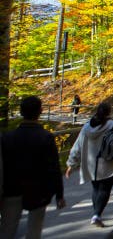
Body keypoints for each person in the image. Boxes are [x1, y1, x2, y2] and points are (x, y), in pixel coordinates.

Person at [0, 96, 66, 239]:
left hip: (11, 189)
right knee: (34, 230)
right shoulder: (45, 137)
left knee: (7, 228)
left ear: (21, 112)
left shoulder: (7, 137)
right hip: (38, 190)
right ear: (40, 111)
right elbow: (54, 167)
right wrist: (59, 194)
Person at [65, 102, 113, 228]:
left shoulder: (86, 127)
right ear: (109, 112)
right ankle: (96, 215)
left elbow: (77, 146)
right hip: (108, 162)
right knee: (105, 189)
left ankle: (96, 213)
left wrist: (71, 164)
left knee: (96, 188)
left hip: (91, 163)